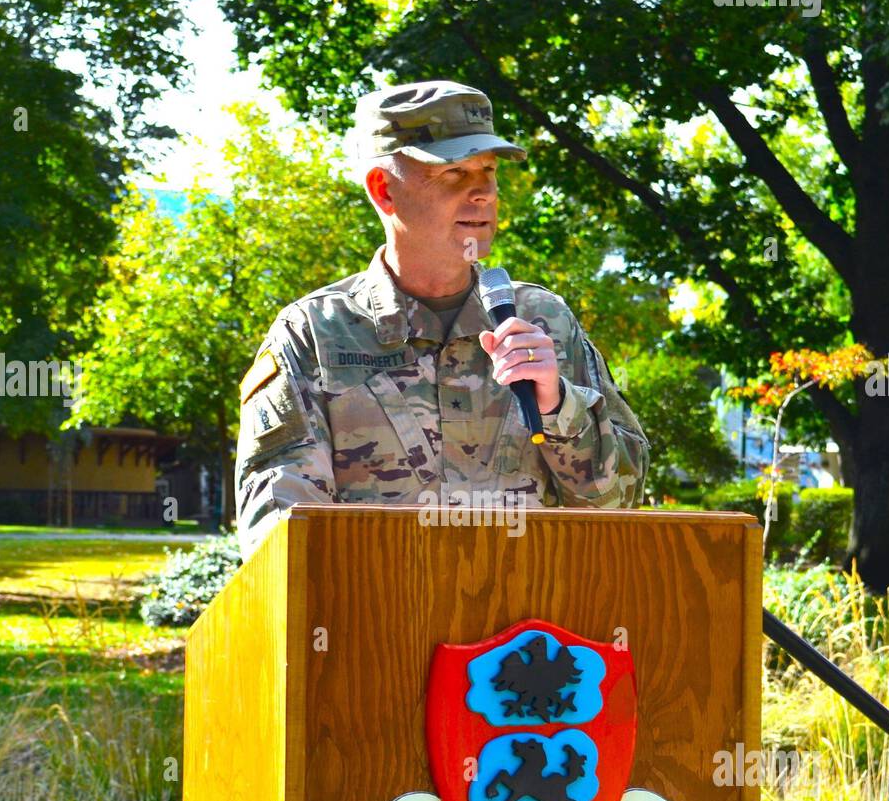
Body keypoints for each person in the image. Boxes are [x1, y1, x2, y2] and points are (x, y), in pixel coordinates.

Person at [235, 79, 650, 560]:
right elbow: (280, 538)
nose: (482, 194)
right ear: (384, 190)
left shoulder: (545, 321)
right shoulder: (314, 334)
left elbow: (620, 502)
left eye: (488, 172)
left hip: (527, 629)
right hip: (378, 624)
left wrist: (559, 407)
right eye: (453, 173)